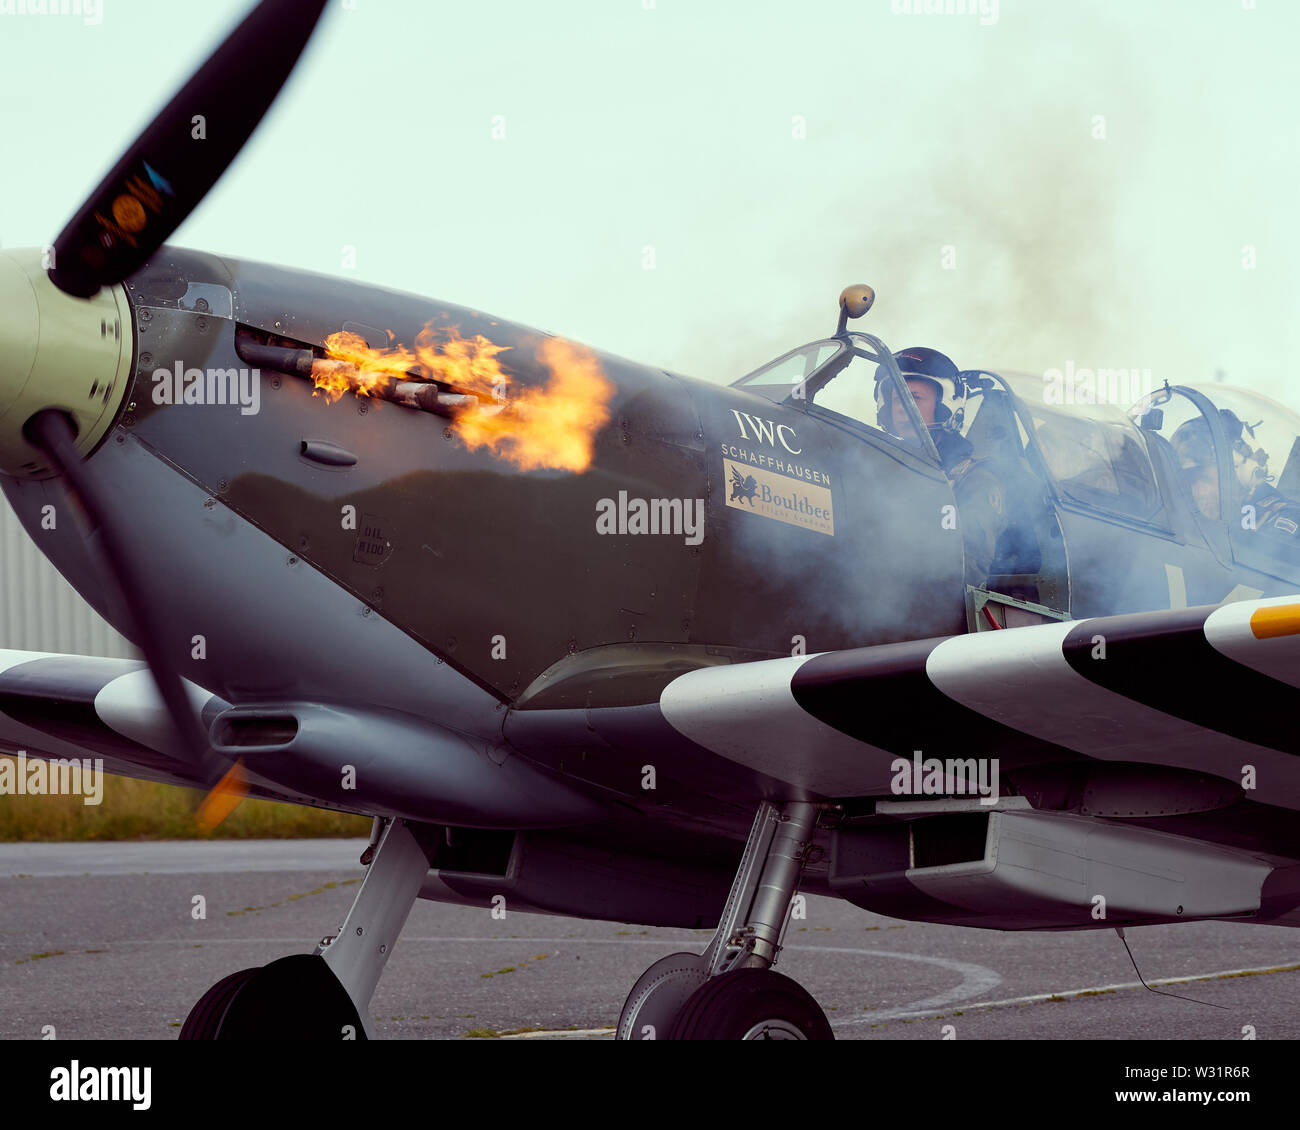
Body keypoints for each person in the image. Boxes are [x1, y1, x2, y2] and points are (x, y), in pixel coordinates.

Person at [876, 347, 1011, 583]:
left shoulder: (976, 479)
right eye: (897, 398)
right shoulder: (879, 470)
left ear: (946, 407)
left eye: (914, 398)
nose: (901, 406)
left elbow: (970, 568)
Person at [1171, 410, 1300, 564]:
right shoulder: (1185, 506)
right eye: (1190, 480)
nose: (1198, 490)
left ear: (1233, 467)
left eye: (1204, 478)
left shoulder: (1280, 515)